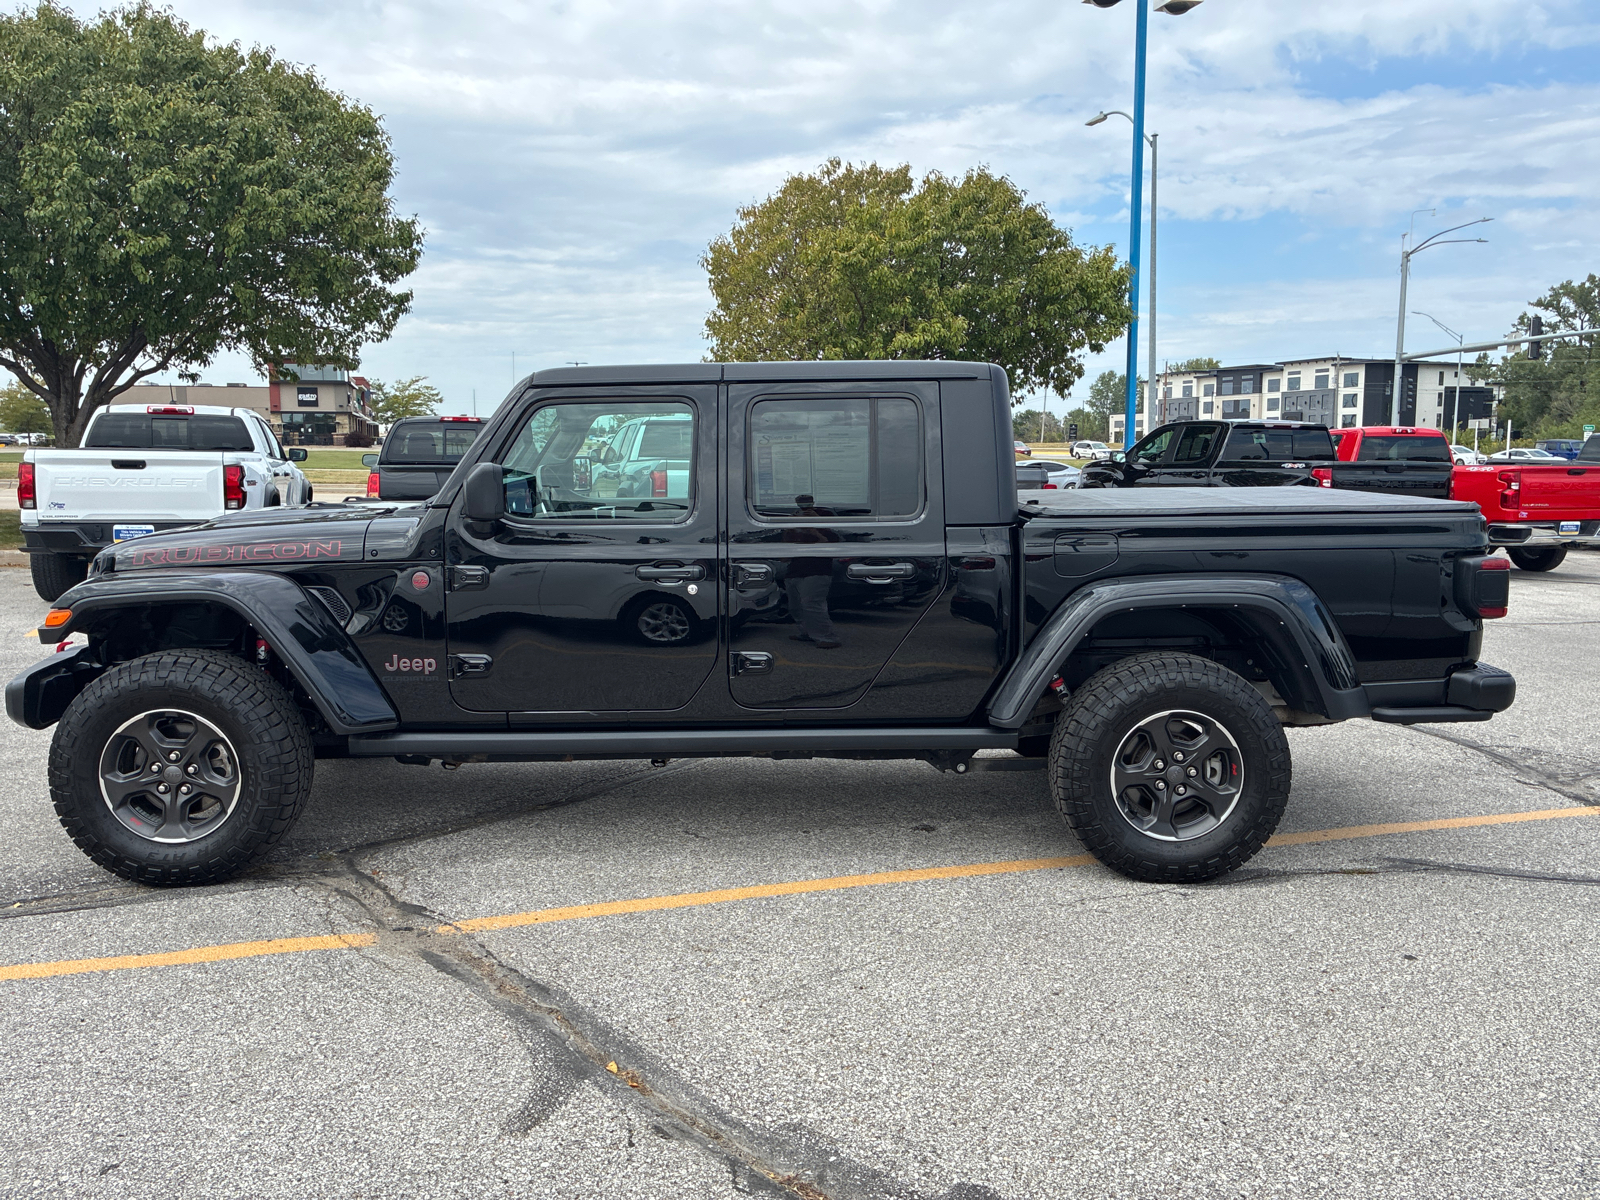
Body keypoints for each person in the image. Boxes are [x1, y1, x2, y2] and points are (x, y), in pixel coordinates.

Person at [782, 494, 841, 648]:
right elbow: (785, 551)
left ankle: (827, 638)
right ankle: (806, 632)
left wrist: (816, 525)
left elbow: (831, 543)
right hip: (794, 569)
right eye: (800, 502)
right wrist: (789, 527)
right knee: (795, 606)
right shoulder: (795, 521)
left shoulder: (825, 517)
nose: (803, 506)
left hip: (817, 569)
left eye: (806, 501)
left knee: (812, 604)